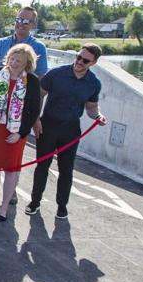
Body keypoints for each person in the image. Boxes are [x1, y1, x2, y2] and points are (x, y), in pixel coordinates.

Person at [25, 44, 109, 220]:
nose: (79, 62)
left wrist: (98, 117)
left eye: (85, 60)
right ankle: (35, 202)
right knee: (42, 166)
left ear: (93, 63)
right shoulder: (56, 74)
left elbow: (91, 108)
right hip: (48, 125)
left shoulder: (94, 83)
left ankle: (62, 206)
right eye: (78, 57)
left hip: (71, 129)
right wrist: (36, 119)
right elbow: (38, 95)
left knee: (66, 170)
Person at [0, 5, 48, 200]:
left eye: (26, 21)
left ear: (33, 24)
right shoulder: (1, 44)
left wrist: (34, 115)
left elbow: (40, 82)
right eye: (18, 19)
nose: (20, 24)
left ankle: (10, 190)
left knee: (13, 152)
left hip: (19, 110)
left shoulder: (38, 48)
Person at [0, 43, 42, 221]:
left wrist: (22, 132)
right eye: (12, 58)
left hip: (15, 131)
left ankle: (4, 207)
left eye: (19, 60)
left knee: (11, 170)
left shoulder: (32, 81)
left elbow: (34, 109)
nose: (15, 62)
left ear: (27, 63)